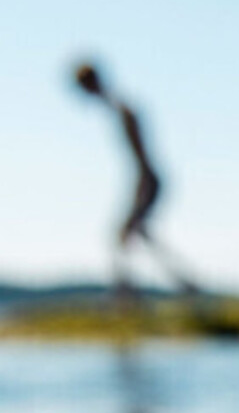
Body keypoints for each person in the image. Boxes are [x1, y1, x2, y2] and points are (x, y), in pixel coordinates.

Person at [73, 61, 196, 298]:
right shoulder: (119, 107)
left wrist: (142, 186)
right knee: (137, 234)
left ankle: (127, 296)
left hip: (147, 178)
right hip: (146, 177)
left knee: (124, 235)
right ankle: (183, 285)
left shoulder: (122, 109)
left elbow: (141, 156)